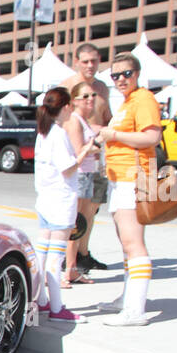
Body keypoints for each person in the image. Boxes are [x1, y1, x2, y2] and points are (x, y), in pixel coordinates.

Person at [97, 53, 163, 326]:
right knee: (126, 243)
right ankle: (128, 299)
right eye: (115, 75)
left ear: (137, 73)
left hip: (133, 178)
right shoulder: (128, 102)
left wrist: (113, 135)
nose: (121, 79)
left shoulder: (144, 99)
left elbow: (152, 136)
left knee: (133, 243)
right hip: (120, 177)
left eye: (126, 73)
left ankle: (135, 309)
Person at [33, 87, 97, 323]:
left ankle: (40, 301)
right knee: (55, 257)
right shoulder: (58, 134)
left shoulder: (43, 132)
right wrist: (86, 152)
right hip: (60, 200)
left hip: (45, 199)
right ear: (65, 107)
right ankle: (57, 308)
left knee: (42, 252)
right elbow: (68, 168)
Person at [61, 43, 113, 273]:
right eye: (85, 61)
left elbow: (108, 117)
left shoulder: (103, 88)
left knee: (92, 210)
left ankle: (84, 254)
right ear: (76, 61)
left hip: (99, 157)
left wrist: (108, 130)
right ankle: (67, 258)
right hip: (79, 158)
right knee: (75, 212)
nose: (90, 65)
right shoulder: (67, 86)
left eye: (94, 61)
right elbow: (61, 121)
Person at [63, 81, 102, 287]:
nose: (91, 100)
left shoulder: (85, 121)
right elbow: (79, 151)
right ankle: (68, 269)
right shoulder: (75, 121)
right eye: (85, 96)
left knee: (83, 224)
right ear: (75, 101)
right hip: (78, 175)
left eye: (93, 95)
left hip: (87, 175)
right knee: (75, 225)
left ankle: (73, 268)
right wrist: (96, 146)